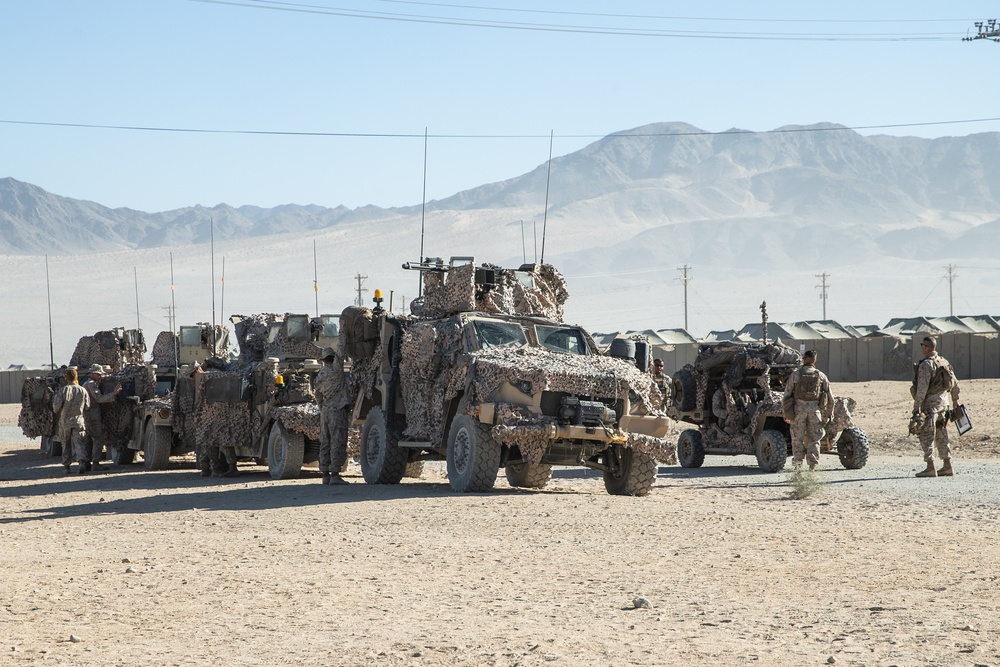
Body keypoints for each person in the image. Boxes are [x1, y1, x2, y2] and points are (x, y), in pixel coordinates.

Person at [910, 335, 961, 478]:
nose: (922, 348)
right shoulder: (943, 361)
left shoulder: (926, 365)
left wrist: (916, 408)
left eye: (922, 345)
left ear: (926, 347)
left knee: (926, 434)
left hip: (930, 406)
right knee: (942, 434)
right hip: (944, 405)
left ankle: (930, 467)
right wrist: (955, 400)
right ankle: (947, 465)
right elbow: (955, 383)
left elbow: (921, 389)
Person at [782, 350, 834, 472]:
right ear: (815, 360)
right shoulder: (821, 376)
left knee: (797, 440)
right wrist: (828, 415)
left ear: (804, 359)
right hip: (815, 412)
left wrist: (786, 413)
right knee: (814, 440)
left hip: (798, 412)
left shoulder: (795, 375)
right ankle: (812, 469)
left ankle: (798, 469)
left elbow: (786, 396)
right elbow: (831, 399)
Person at [313, 347, 351, 485]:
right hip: (337, 410)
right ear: (333, 358)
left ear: (323, 360)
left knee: (325, 442)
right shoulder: (336, 370)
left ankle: (325, 474)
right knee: (337, 441)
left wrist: (322, 408)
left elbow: (317, 395)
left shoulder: (320, 375)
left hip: (325, 412)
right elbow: (341, 349)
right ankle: (335, 474)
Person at [52, 367, 92, 475]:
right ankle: (81, 462)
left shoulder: (63, 390)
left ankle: (66, 466)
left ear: (67, 377)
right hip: (78, 420)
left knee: (65, 444)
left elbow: (56, 407)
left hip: (65, 421)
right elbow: (87, 406)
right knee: (80, 442)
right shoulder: (83, 390)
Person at [82, 364, 122, 470]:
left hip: (87, 415)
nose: (100, 377)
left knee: (88, 439)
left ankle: (87, 462)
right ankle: (95, 463)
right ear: (93, 374)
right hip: (92, 416)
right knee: (98, 439)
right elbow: (99, 399)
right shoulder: (91, 384)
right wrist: (113, 394)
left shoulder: (86, 384)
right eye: (98, 374)